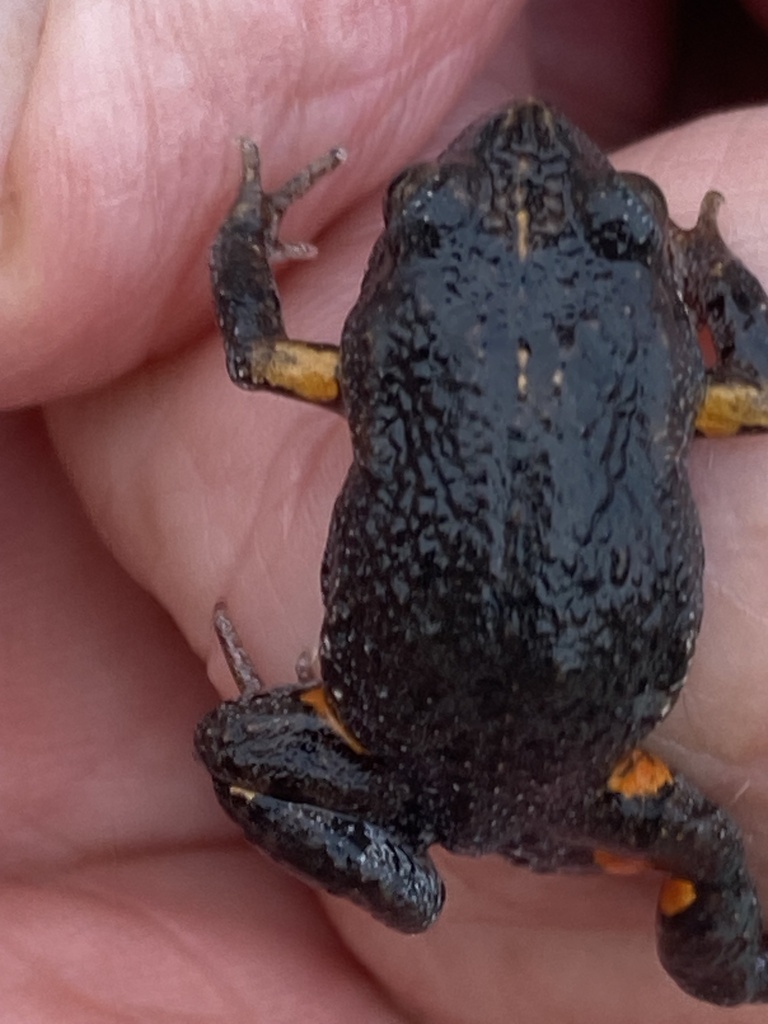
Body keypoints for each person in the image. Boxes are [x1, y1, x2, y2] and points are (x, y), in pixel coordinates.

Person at [1, 2, 767, 1020]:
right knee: (712, 854)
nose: (525, 140)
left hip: (396, 760)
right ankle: (738, 972)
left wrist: (246, 225)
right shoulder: (684, 392)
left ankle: (405, 884)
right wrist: (709, 261)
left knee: (236, 745)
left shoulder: (365, 371)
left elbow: (251, 349)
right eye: (425, 214)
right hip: (584, 776)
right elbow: (757, 385)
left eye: (625, 224)